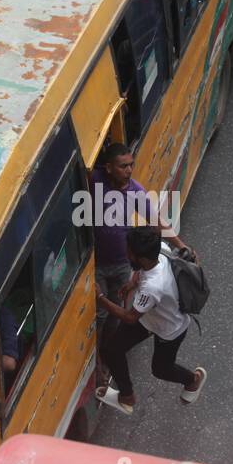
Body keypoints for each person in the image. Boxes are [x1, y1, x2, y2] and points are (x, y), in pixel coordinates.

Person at [91, 143, 191, 384]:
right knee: (99, 316)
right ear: (108, 167)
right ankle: (95, 359)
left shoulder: (135, 191)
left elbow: (157, 221)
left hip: (122, 265)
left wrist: (181, 245)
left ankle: (105, 357)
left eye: (131, 165)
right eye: (123, 166)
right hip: (95, 263)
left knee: (113, 310)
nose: (129, 170)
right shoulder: (94, 181)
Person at [95, 226, 206, 415]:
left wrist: (100, 298)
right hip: (150, 317)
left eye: (129, 252)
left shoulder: (153, 288)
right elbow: (142, 272)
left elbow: (130, 317)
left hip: (169, 330)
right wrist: (132, 282)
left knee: (161, 370)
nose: (126, 255)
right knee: (112, 350)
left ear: (141, 258)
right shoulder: (160, 249)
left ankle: (193, 380)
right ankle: (126, 396)